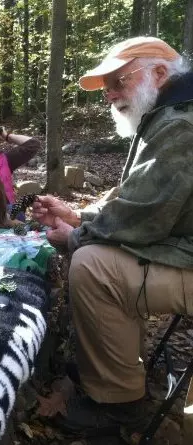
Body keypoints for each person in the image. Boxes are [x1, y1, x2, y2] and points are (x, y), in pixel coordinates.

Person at [32, 36, 193, 436]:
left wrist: (74, 236)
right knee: (99, 251)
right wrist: (77, 214)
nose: (110, 96)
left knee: (92, 266)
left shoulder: (181, 124)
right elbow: (137, 197)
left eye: (119, 82)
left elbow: (142, 217)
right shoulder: (168, 113)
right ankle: (114, 370)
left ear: (159, 73)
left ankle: (120, 406)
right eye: (107, 88)